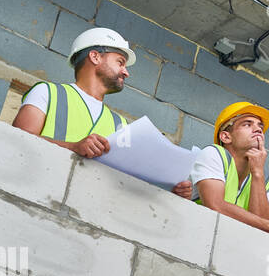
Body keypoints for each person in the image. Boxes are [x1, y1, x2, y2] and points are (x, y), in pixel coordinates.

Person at [12, 26, 191, 198]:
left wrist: (170, 190)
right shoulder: (48, 93)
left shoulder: (120, 124)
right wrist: (73, 147)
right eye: (120, 62)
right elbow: (17, 139)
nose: (126, 72)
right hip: (36, 192)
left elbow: (128, 180)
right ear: (95, 57)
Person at [190, 102, 269, 237]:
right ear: (226, 137)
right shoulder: (214, 154)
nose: (258, 130)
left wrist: (257, 173)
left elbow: (262, 235)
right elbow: (215, 205)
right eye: (247, 124)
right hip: (194, 236)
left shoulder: (268, 180)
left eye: (260, 126)